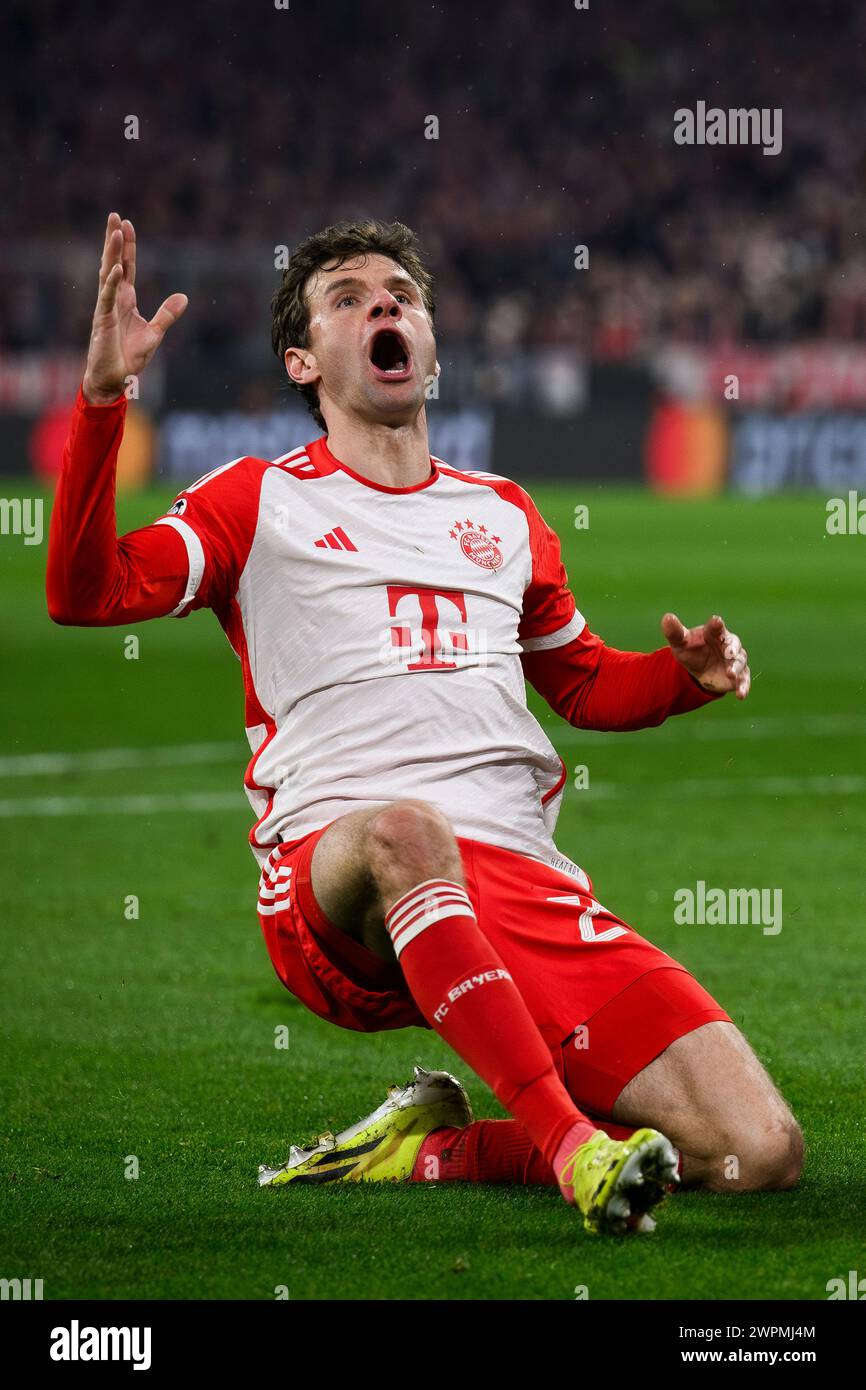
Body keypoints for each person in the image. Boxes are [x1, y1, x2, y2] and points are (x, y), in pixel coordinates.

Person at [47, 213, 802, 1235]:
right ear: (304, 359)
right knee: (409, 830)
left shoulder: (503, 515)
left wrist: (681, 679)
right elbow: (86, 591)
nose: (383, 305)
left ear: (431, 344)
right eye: (348, 298)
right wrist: (101, 400)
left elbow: (579, 685)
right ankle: (572, 1149)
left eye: (400, 292)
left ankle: (433, 1150)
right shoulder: (257, 501)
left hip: (520, 889)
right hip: (340, 872)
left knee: (754, 1152)